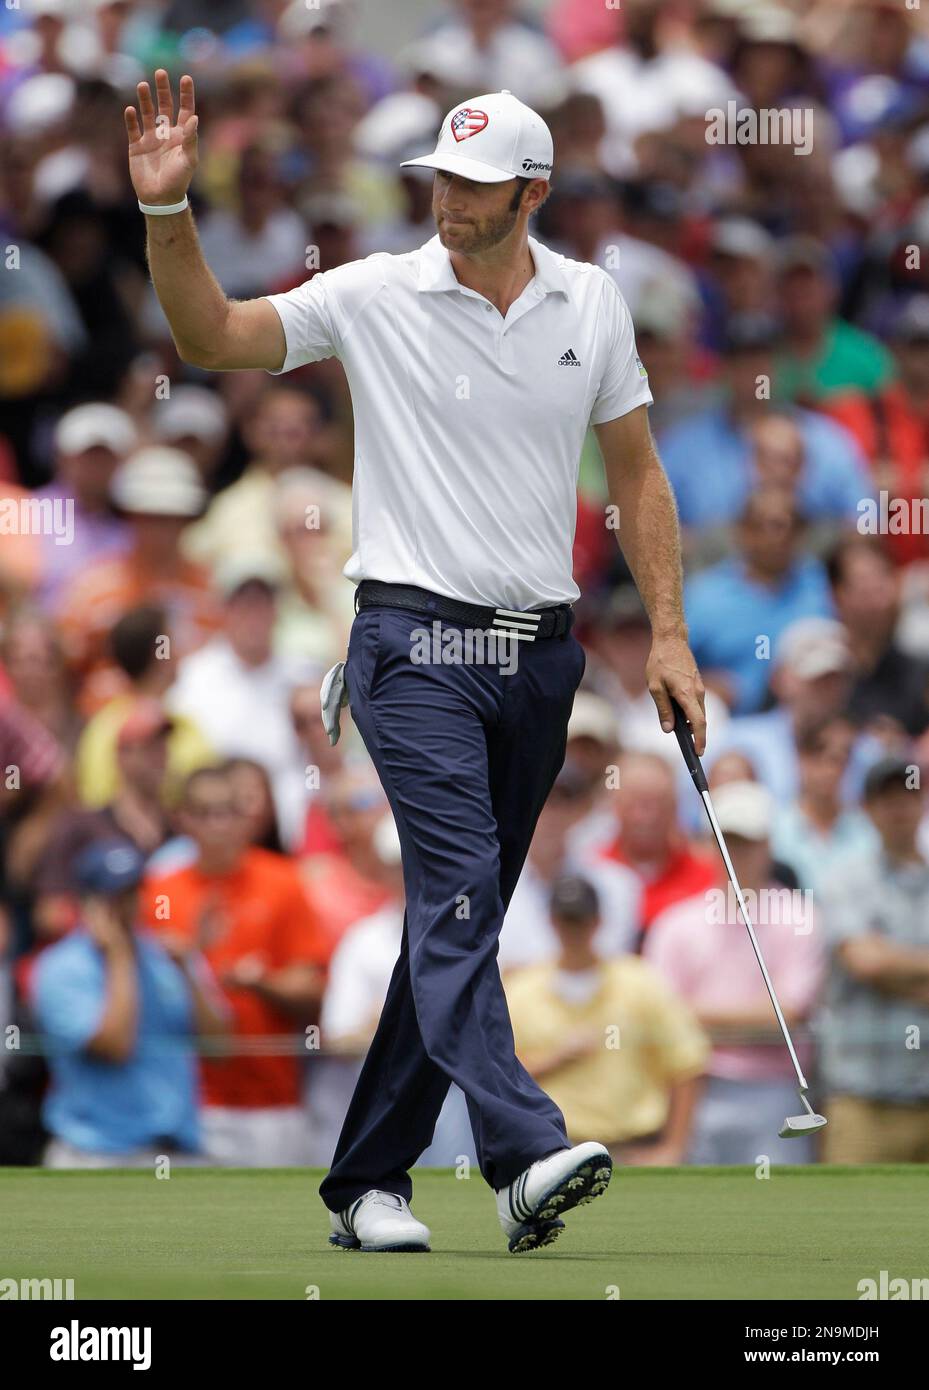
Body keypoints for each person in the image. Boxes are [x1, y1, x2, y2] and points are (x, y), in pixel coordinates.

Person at [125, 72, 706, 1255]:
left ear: (529, 193)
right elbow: (213, 334)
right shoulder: (374, 292)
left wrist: (672, 632)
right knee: (453, 887)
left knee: (462, 918)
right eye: (440, 177)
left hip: (541, 654)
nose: (448, 199)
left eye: (476, 186)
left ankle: (366, 1182)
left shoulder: (592, 301)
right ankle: (522, 1146)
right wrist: (168, 213)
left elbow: (638, 474)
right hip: (410, 643)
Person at [143, 765, 328, 1166]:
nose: (217, 825)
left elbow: (313, 987)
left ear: (245, 817)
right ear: (182, 820)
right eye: (204, 813)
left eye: (227, 811)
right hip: (184, 1098)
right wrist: (186, 956)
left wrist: (261, 982)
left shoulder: (283, 881)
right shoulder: (159, 890)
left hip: (270, 1098)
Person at [645, 782, 825, 1165]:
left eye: (745, 842)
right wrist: (755, 1020)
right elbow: (659, 1020)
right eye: (725, 841)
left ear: (768, 845)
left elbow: (790, 1015)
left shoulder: (800, 917)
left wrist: (694, 1018)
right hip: (692, 1090)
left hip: (775, 1092)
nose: (734, 854)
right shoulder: (675, 924)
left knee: (778, 1211)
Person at [31, 839, 225, 1167]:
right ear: (87, 902)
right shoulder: (61, 968)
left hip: (176, 1148)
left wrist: (188, 973)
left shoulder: (165, 956)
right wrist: (119, 955)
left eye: (133, 891)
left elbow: (220, 1048)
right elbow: (115, 1046)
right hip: (95, 1152)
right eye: (114, 896)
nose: (128, 904)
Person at [505, 875, 709, 1163]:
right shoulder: (522, 991)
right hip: (553, 1151)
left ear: (597, 922)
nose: (573, 931)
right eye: (566, 921)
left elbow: (688, 1062)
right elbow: (499, 1076)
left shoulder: (640, 983)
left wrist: (673, 1147)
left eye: (580, 921)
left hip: (633, 1146)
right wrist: (555, 1058)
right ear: (552, 922)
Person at [817, 758, 929, 1162]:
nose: (899, 809)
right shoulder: (845, 876)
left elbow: (879, 962)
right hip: (864, 1099)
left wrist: (892, 965)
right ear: (867, 809)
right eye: (888, 800)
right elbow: (865, 961)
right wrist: (882, 964)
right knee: (850, 1222)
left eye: (909, 797)